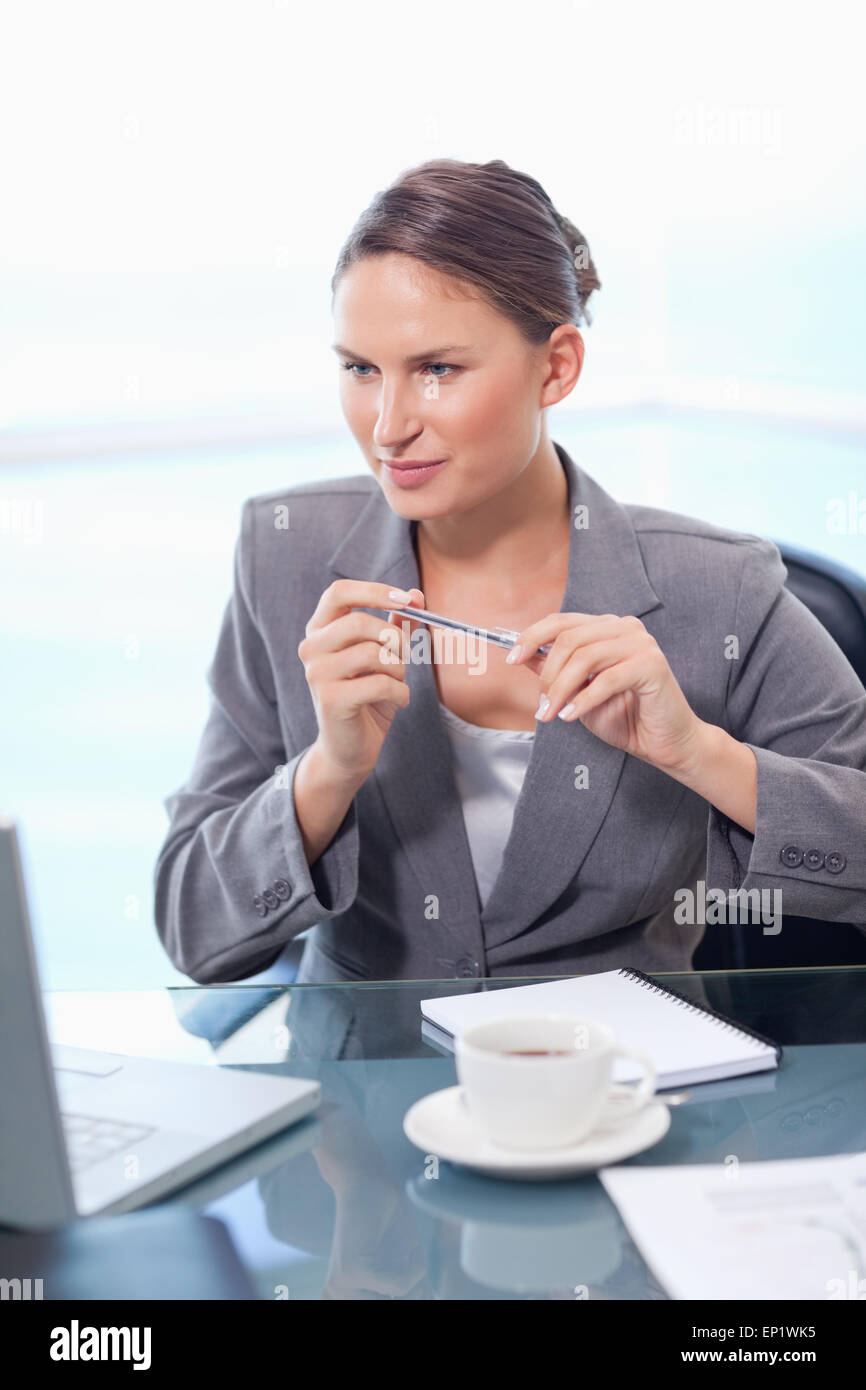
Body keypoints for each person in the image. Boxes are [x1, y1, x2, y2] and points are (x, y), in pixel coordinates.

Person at [153, 157, 866, 986]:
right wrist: (328, 771)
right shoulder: (284, 553)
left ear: (556, 366)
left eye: (437, 370)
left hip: (629, 1087)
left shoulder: (722, 588)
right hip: (366, 1085)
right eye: (360, 369)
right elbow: (192, 931)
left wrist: (700, 753)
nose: (387, 426)